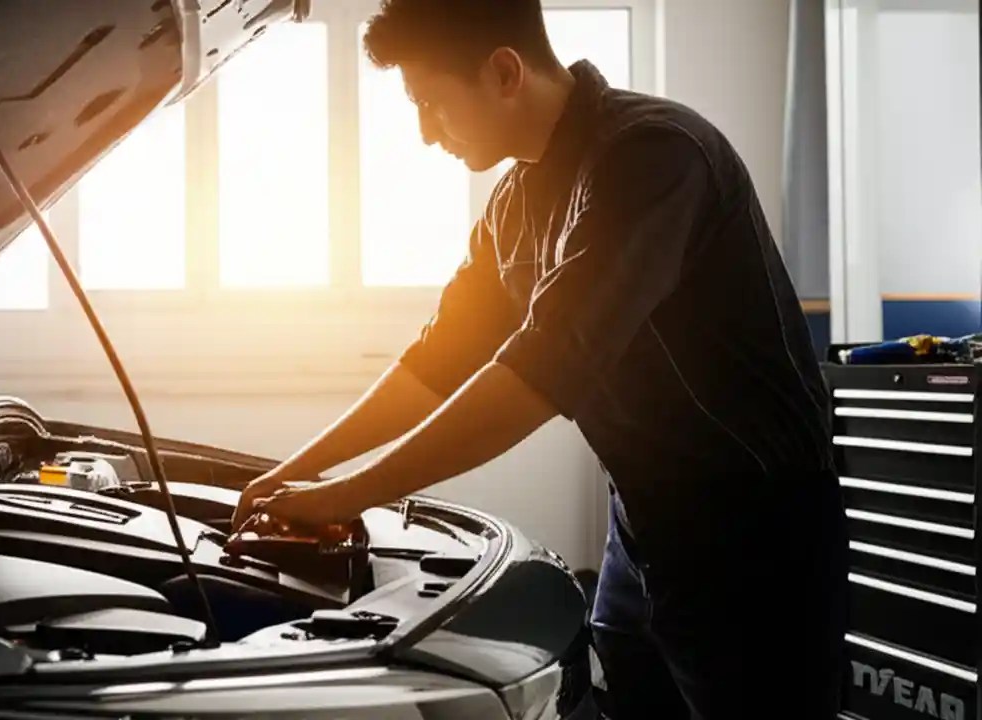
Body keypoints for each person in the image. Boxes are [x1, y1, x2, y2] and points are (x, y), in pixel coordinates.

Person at [233, 1, 846, 717]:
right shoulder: (515, 201)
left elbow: (540, 374)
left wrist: (345, 494)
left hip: (753, 539)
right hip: (643, 526)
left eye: (431, 103)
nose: (426, 133)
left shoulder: (654, 157)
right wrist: (295, 472)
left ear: (503, 72)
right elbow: (437, 362)